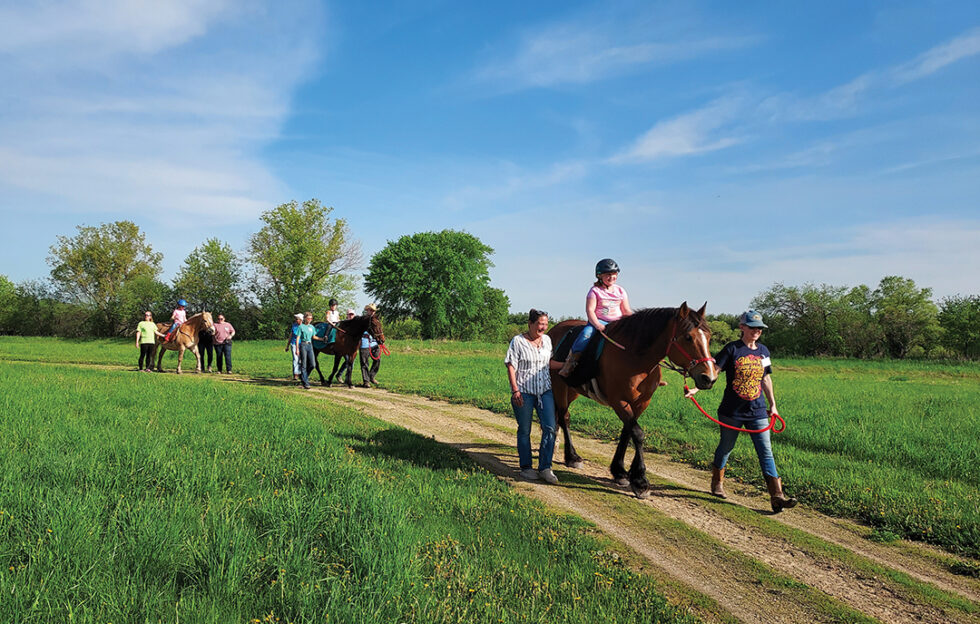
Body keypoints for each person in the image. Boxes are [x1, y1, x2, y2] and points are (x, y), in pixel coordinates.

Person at [686, 310, 797, 513]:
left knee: (766, 453)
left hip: (758, 411)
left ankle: (777, 496)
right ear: (742, 328)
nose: (756, 331)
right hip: (731, 411)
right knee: (726, 447)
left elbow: (766, 379)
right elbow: (715, 371)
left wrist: (773, 405)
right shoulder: (732, 349)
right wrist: (697, 388)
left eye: (759, 328)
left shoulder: (763, 351)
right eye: (752, 327)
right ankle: (717, 483)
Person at [505, 309, 560, 484]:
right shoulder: (518, 341)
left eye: (545, 324)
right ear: (530, 323)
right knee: (525, 430)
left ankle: (545, 467)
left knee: (550, 427)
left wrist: (567, 364)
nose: (543, 327)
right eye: (539, 324)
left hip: (545, 391)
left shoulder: (547, 340)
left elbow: (548, 362)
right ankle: (526, 467)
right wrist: (515, 390)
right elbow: (511, 366)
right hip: (524, 392)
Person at [559, 259, 633, 377]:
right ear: (599, 275)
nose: (612, 277)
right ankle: (571, 362)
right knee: (585, 335)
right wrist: (597, 325)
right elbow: (590, 310)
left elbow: (626, 310)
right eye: (608, 274)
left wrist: (636, 319)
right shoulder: (595, 291)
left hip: (618, 323)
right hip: (599, 321)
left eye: (614, 274)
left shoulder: (620, 291)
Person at [358, 303, 380, 387]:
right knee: (364, 362)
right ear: (367, 310)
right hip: (364, 342)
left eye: (373, 310)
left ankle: (371, 376)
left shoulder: (375, 319)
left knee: (377, 359)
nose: (372, 312)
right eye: (370, 310)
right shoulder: (362, 319)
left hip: (374, 342)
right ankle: (366, 381)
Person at [294, 312, 316, 389]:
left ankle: (303, 376)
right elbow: (297, 338)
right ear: (305, 318)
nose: (310, 320)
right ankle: (305, 383)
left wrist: (322, 339)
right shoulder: (301, 327)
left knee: (313, 365)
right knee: (304, 364)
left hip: (310, 345)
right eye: (309, 318)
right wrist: (297, 349)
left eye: (311, 318)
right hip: (303, 345)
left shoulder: (312, 327)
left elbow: (314, 337)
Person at [335, 309, 356, 379]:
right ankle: (340, 375)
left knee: (351, 362)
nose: (351, 316)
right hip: (343, 346)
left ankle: (344, 376)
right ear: (347, 315)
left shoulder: (355, 324)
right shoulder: (343, 323)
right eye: (349, 314)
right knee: (348, 361)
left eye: (352, 314)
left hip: (351, 347)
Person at [287, 313, 303, 380]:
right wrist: (287, 345)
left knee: (301, 359)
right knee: (296, 359)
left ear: (301, 320)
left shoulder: (304, 326)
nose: (296, 320)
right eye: (296, 319)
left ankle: (301, 373)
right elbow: (291, 335)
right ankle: (296, 374)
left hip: (302, 344)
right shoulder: (294, 326)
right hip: (294, 343)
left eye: (297, 319)